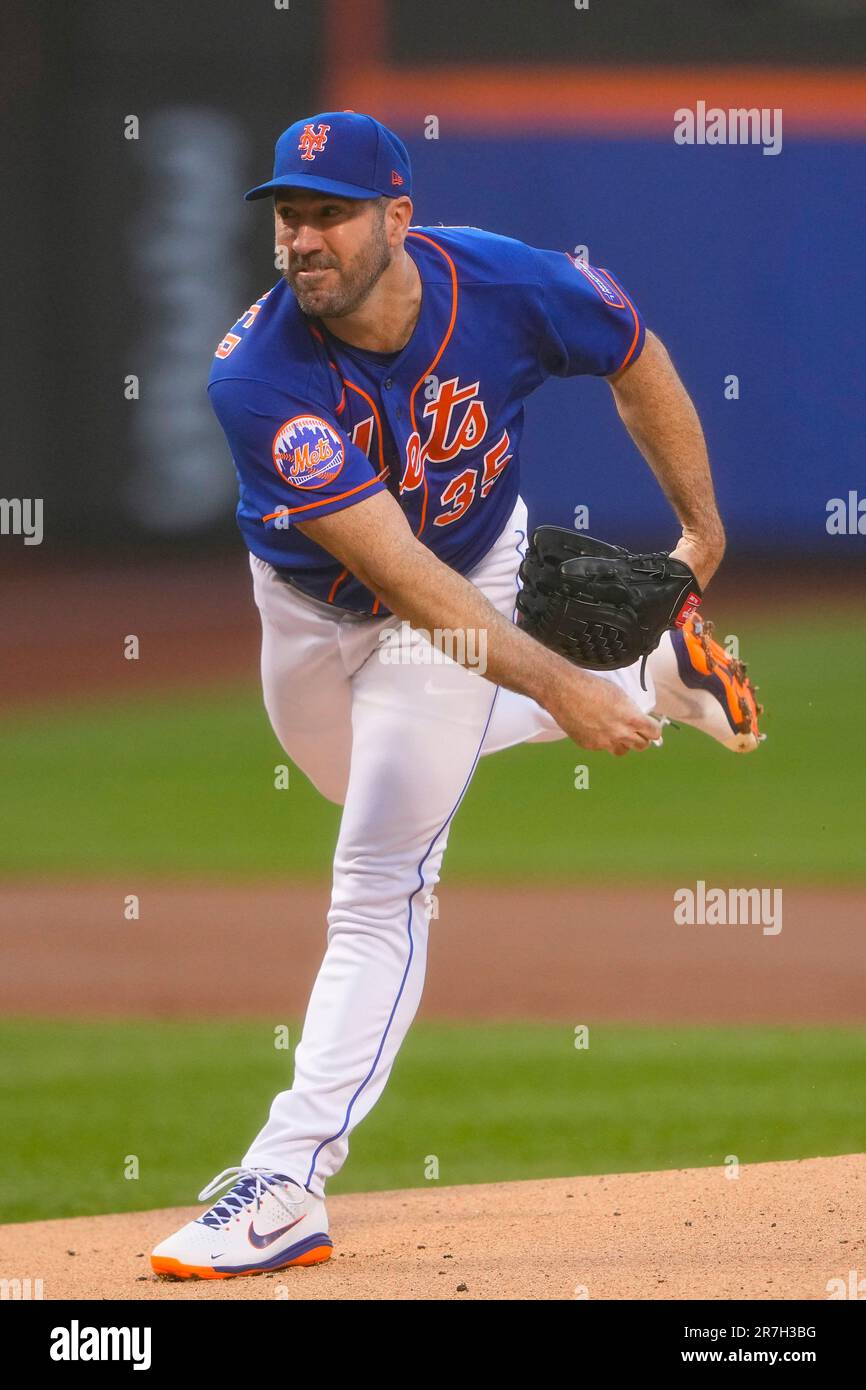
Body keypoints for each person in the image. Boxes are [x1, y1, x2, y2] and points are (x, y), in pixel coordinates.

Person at [151, 111, 761, 1280]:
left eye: (328, 213)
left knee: (382, 873)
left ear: (395, 218)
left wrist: (701, 527)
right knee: (353, 781)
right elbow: (400, 581)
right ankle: (643, 671)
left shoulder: (508, 284)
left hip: (473, 573)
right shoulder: (257, 378)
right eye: (288, 214)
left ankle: (287, 1178)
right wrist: (569, 689)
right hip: (318, 610)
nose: (302, 238)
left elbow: (633, 354)